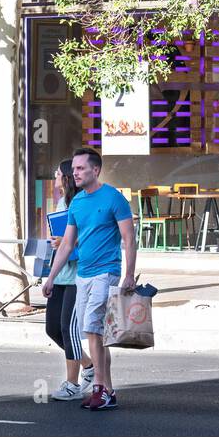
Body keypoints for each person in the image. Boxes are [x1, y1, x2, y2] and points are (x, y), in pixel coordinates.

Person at [43, 147, 136, 412]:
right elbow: (67, 244)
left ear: (96, 170)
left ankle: (98, 387)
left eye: (80, 168)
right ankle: (108, 390)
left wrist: (129, 274)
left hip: (106, 272)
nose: (75, 173)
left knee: (94, 330)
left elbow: (129, 238)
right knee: (94, 334)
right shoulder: (77, 203)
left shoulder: (114, 198)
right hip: (82, 275)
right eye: (73, 169)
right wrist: (50, 278)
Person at [43, 159, 95, 402]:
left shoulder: (82, 202)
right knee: (52, 329)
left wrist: (65, 241)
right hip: (61, 273)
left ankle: (72, 384)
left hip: (78, 276)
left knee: (68, 328)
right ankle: (89, 364)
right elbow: (63, 239)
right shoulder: (62, 202)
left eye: (56, 174)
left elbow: (89, 237)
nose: (54, 178)